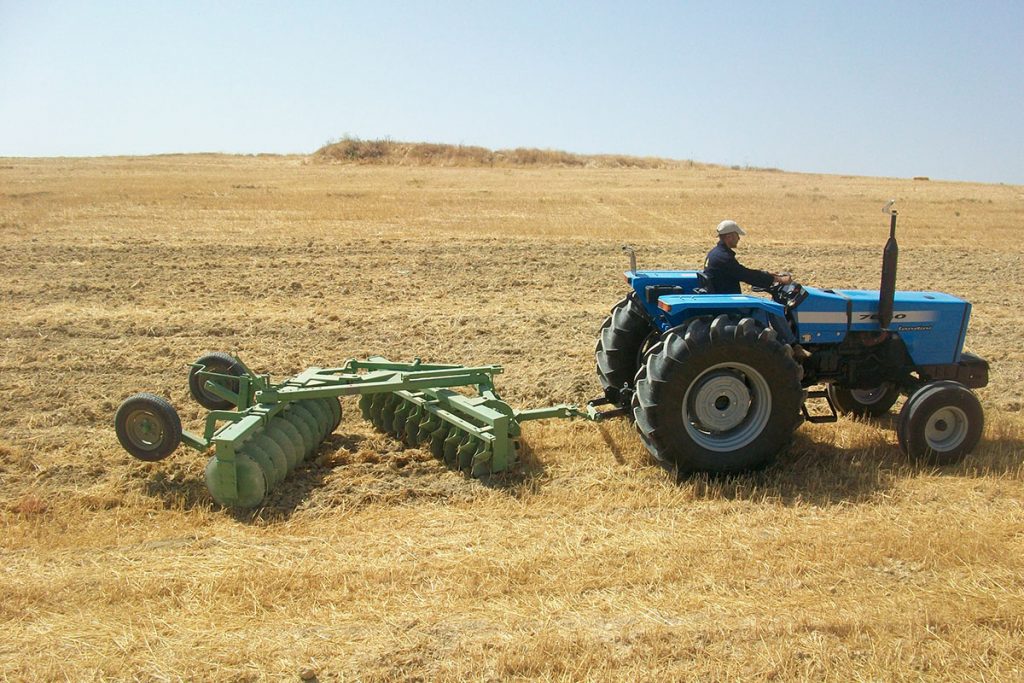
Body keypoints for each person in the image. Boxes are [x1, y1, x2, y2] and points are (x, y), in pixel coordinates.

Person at [703, 220, 792, 294]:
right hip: (727, 300)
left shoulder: (716, 253)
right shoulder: (724, 258)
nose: (738, 238)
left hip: (722, 294)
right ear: (729, 237)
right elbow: (746, 275)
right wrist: (778, 279)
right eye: (737, 235)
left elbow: (741, 272)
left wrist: (767, 275)